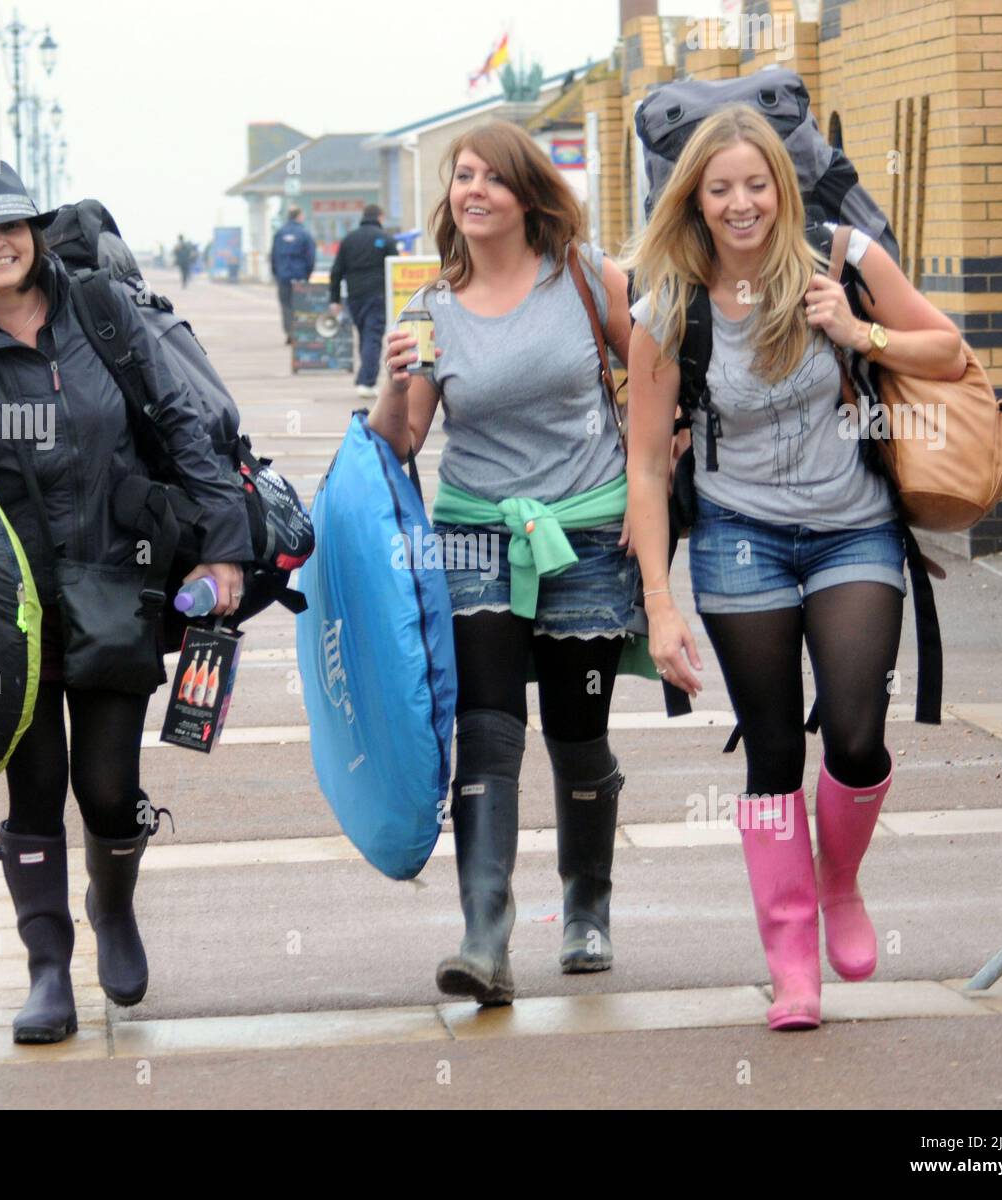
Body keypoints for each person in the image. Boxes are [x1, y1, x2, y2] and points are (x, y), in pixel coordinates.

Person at [622, 105, 965, 1030]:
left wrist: (861, 335)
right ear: (693, 198)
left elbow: (951, 350)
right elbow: (648, 467)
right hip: (740, 538)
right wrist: (660, 606)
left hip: (854, 529)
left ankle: (839, 881)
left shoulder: (843, 259)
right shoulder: (667, 308)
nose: (742, 204)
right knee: (774, 747)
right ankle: (791, 966)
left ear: (781, 183)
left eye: (756, 184)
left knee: (855, 734)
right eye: (720, 188)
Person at [0, 160, 251, 1045]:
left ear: (35, 230)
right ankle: (47, 969)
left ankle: (116, 908)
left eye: (9, 225)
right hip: (4, 604)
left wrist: (224, 548)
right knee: (36, 784)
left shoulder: (101, 312)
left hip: (113, 579)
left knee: (107, 784)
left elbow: (179, 424)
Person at [368, 121, 640, 1005]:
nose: (471, 190)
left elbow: (662, 376)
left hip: (588, 532)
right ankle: (485, 933)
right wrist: (387, 376)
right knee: (485, 727)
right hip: (476, 529)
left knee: (576, 729)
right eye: (461, 177)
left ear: (527, 194)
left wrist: (651, 499)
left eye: (490, 177)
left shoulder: (586, 276)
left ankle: (586, 904)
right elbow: (402, 440)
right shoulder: (430, 308)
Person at [328, 204, 400, 399]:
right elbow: (397, 268)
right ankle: (367, 382)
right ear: (380, 217)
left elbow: (336, 271)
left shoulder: (349, 239)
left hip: (354, 297)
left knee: (364, 336)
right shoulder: (385, 239)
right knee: (372, 337)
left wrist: (334, 299)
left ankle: (365, 377)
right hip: (377, 295)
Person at [270, 207, 316, 345]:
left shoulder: (279, 234)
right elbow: (310, 257)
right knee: (300, 306)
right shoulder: (305, 234)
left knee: (286, 305)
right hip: (300, 275)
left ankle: (289, 331)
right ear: (299, 217)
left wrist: (276, 273)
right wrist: (308, 273)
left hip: (283, 276)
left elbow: (273, 256)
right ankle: (300, 333)